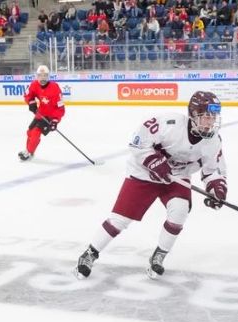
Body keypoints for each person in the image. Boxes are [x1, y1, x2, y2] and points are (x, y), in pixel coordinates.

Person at [75, 91, 227, 280]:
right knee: (120, 219)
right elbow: (137, 143)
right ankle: (90, 253)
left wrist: (217, 190)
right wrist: (154, 162)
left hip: (177, 178)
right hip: (143, 174)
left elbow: (212, 171)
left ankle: (159, 255)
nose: (210, 122)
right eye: (206, 116)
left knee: (179, 211)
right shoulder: (168, 124)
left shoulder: (213, 141)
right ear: (193, 115)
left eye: (213, 117)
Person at [18, 65, 65, 161]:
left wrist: (55, 121)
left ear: (48, 76)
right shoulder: (34, 84)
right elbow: (28, 95)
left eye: (45, 75)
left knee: (35, 133)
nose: (43, 78)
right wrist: (31, 103)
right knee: (30, 132)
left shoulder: (55, 87)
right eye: (40, 75)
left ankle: (28, 152)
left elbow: (60, 108)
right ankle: (29, 150)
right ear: (37, 76)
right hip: (40, 114)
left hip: (51, 116)